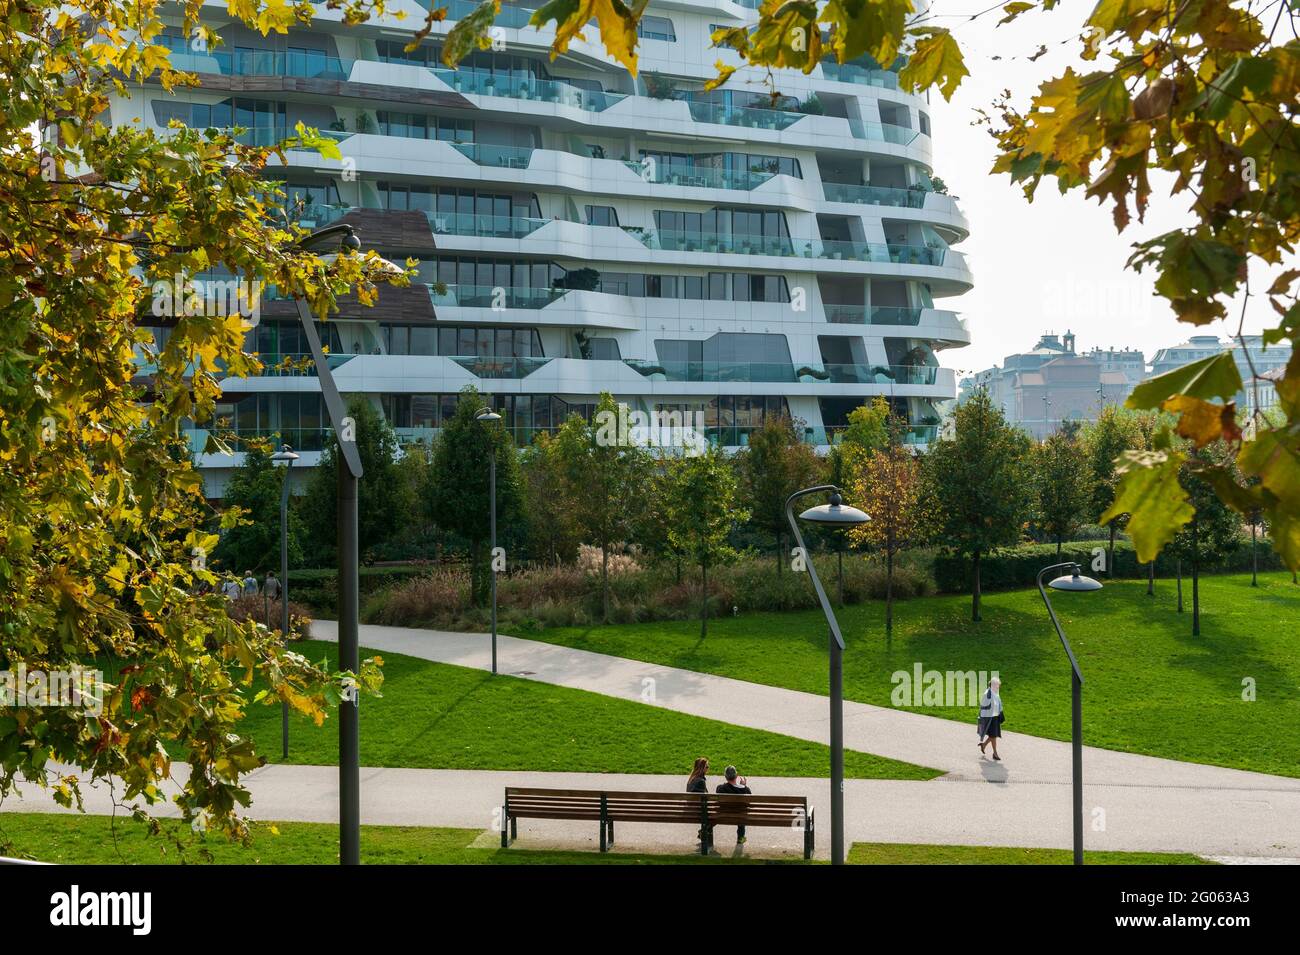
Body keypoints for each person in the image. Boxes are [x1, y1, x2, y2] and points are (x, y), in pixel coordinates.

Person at [716, 765, 752, 845]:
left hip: (724, 815)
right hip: (740, 816)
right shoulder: (745, 789)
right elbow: (748, 803)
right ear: (736, 775)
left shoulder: (720, 788)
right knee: (742, 812)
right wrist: (744, 786)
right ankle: (741, 838)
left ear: (725, 776)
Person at [686, 757, 712, 848]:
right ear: (702, 768)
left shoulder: (691, 779)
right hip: (698, 811)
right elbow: (705, 799)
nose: (708, 768)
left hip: (690, 809)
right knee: (714, 815)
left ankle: (703, 832)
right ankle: (704, 833)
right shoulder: (700, 781)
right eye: (707, 766)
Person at [978, 677, 1004, 761]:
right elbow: (983, 706)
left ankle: (984, 745)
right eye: (997, 685)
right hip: (990, 718)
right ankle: (995, 753)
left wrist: (1000, 713)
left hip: (995, 717)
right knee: (993, 735)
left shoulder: (996, 693)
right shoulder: (987, 694)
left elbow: (998, 704)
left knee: (993, 735)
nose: (999, 687)